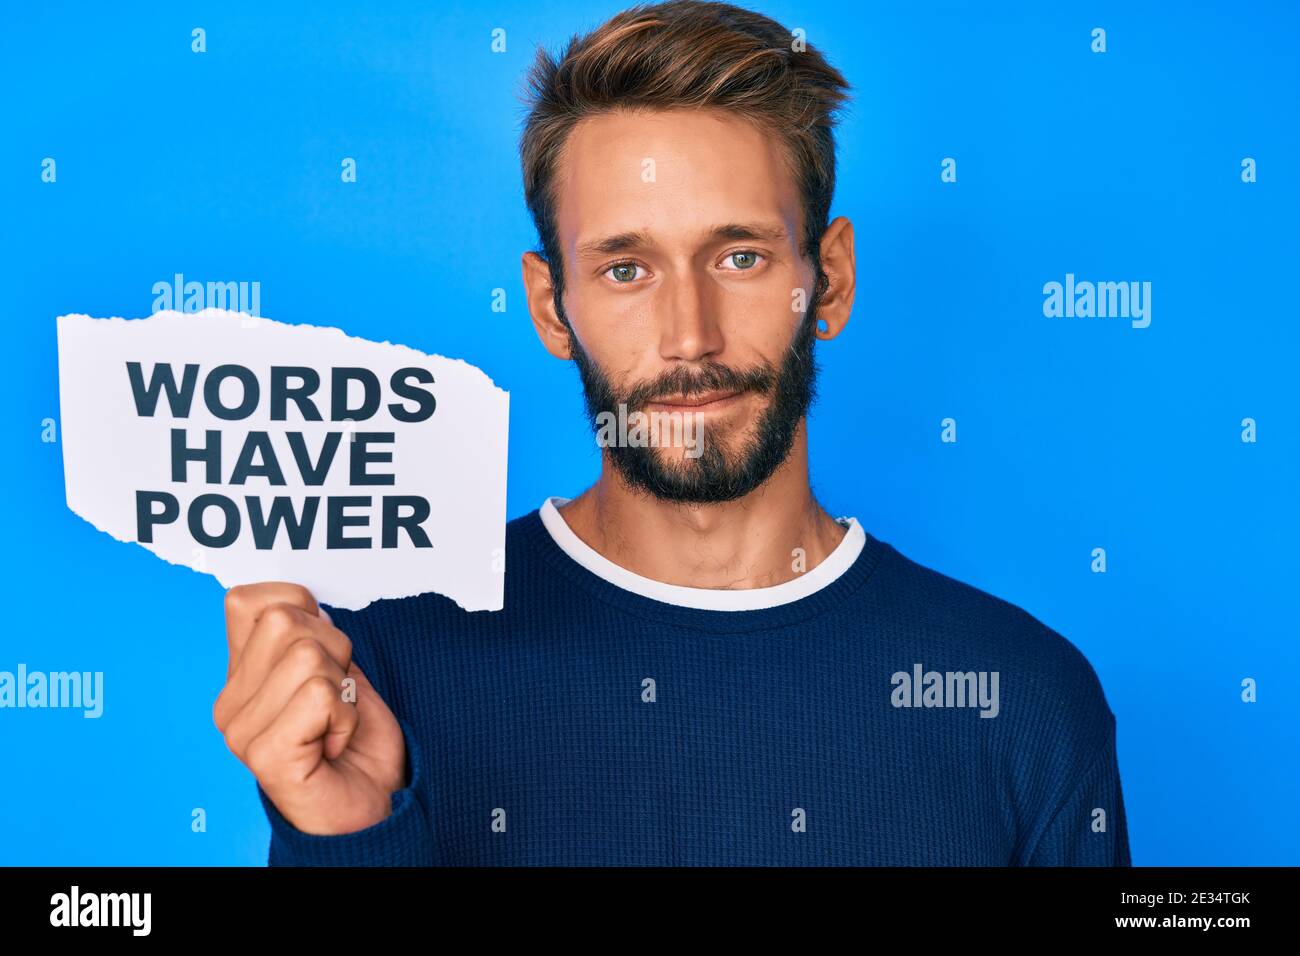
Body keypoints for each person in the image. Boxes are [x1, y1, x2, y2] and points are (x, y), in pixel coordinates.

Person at [214, 0, 1130, 866]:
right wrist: (350, 838)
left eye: (741, 257)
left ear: (832, 280)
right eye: (625, 268)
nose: (691, 334)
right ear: (550, 307)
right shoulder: (385, 672)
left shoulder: (1020, 697)